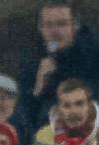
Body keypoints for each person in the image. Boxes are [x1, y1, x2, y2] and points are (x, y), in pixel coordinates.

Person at [16, 1, 99, 129]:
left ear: (75, 26)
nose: (55, 31)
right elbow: (24, 117)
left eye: (62, 24)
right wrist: (38, 87)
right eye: (49, 25)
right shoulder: (31, 63)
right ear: (41, 28)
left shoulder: (93, 58)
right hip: (46, 141)